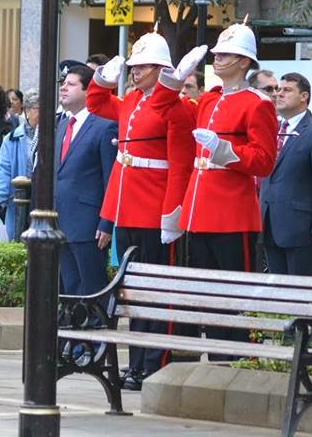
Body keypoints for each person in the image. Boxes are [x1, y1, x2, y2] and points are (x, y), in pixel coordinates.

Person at [149, 22, 277, 350]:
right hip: (200, 209)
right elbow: (163, 107)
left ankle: (236, 365)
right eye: (218, 53)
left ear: (245, 62)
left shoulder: (257, 103)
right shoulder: (209, 99)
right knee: (209, 300)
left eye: (228, 54)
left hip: (232, 213)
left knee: (235, 300)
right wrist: (174, 79)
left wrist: (225, 151)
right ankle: (216, 364)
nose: (218, 58)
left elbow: (264, 160)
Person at [85, 31, 196, 388]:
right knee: (132, 293)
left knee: (156, 292)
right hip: (128, 207)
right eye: (133, 66)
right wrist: (103, 77)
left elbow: (180, 164)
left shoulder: (177, 108)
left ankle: (154, 362)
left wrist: (172, 214)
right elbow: (96, 104)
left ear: (161, 69)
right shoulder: (132, 100)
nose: (135, 71)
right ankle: (134, 363)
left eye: (143, 66)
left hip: (155, 209)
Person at [259, 73, 312, 276]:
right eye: (278, 90)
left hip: (302, 229)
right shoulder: (271, 129)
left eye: (287, 90)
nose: (279, 94)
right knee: (277, 294)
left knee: (302, 293)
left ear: (304, 96)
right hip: (268, 224)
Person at [55, 65, 118, 295]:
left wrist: (106, 222)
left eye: (71, 84)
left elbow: (110, 177)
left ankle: (97, 328)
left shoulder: (104, 127)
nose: (63, 87)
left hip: (89, 225)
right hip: (60, 221)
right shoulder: (61, 125)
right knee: (69, 289)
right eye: (63, 83)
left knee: (92, 289)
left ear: (87, 90)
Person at [0, 89, 39, 240]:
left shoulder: (54, 134)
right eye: (38, 109)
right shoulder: (12, 138)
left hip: (44, 200)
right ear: (27, 111)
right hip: (18, 201)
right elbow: (4, 171)